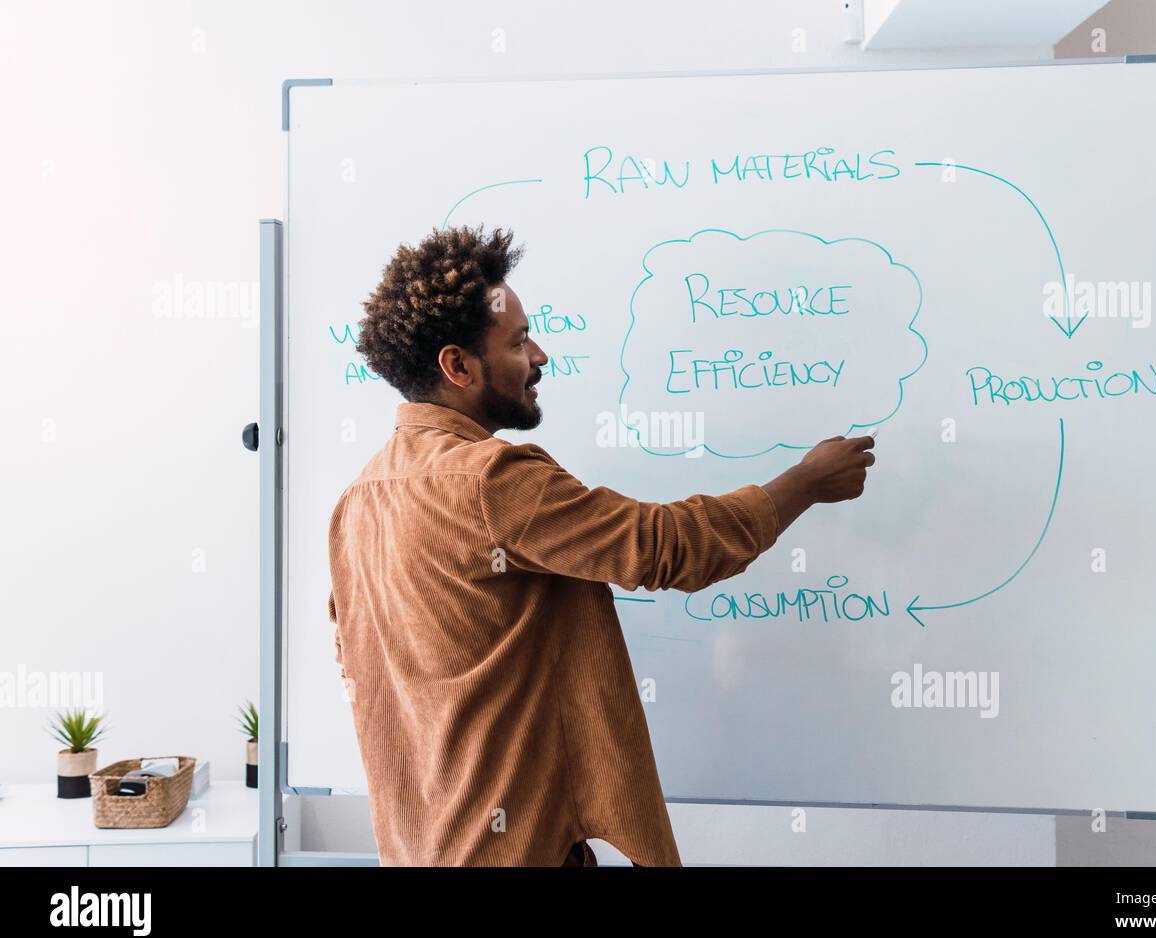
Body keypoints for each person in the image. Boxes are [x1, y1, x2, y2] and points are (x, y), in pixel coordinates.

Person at [327, 224, 876, 866]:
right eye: (517, 341)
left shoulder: (355, 502)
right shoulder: (489, 481)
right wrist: (805, 483)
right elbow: (663, 547)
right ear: (457, 366)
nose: (540, 356)